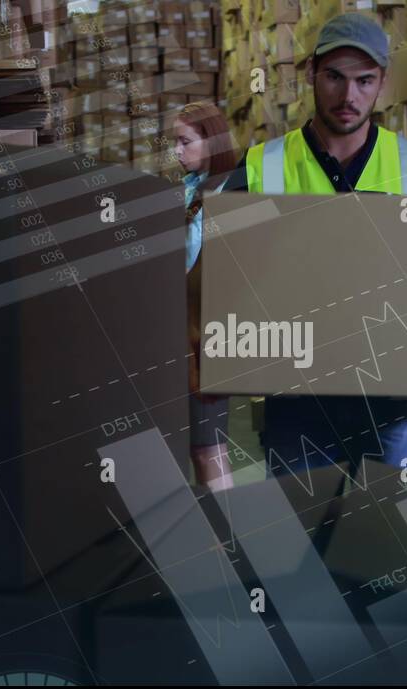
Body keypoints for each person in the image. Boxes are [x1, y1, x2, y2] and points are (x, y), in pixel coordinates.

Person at [220, 12, 407, 480]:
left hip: (396, 403)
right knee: (300, 542)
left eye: (364, 80)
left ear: (383, 82)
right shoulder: (260, 169)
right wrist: (205, 354)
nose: (348, 95)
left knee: (391, 542)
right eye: (334, 77)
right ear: (311, 72)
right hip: (298, 402)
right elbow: (212, 274)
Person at [172, 102, 238, 491]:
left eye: (185, 141)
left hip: (208, 334)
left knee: (208, 446)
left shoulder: (230, 190)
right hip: (185, 329)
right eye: (174, 142)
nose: (177, 151)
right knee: (199, 446)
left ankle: (228, 534)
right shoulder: (190, 188)